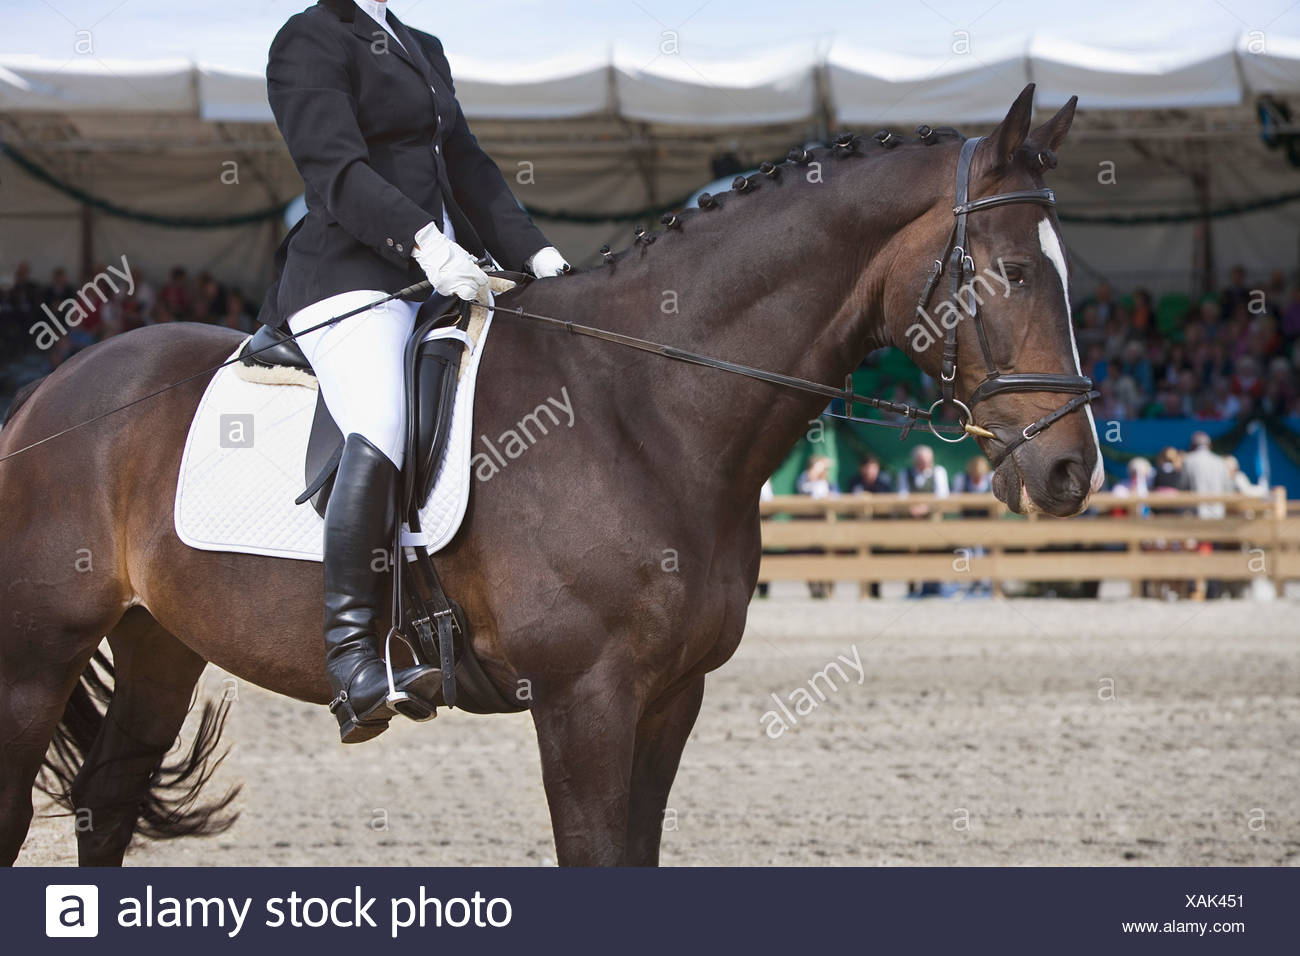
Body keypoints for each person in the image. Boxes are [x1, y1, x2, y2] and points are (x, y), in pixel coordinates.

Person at [262, 0, 570, 743]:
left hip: (438, 277)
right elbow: (336, 170)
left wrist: (538, 257)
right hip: (352, 279)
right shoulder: (308, 39)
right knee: (382, 419)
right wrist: (427, 244)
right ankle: (353, 659)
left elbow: (466, 166)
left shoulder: (419, 43)